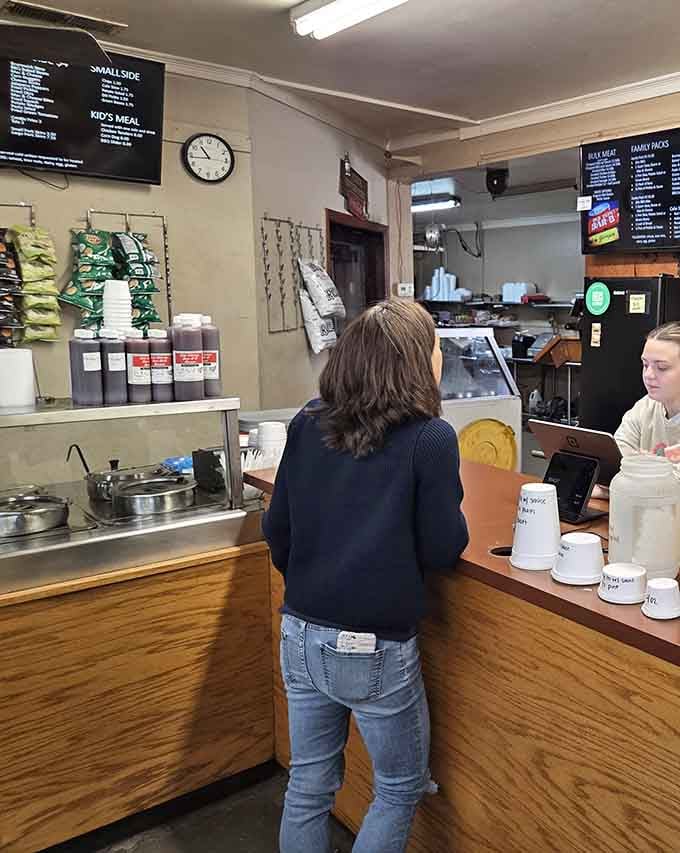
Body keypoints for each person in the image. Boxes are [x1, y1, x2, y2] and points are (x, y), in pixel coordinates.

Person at [262, 298, 469, 853]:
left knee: (308, 784)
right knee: (399, 788)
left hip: (299, 633)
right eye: (435, 350)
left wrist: (315, 584)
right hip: (372, 647)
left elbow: (276, 528)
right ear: (419, 363)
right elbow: (445, 548)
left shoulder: (308, 421)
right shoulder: (430, 438)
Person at [615, 322, 680, 461]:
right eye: (645, 365)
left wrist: (644, 463)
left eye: (661, 367)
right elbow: (617, 452)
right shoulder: (645, 407)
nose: (648, 375)